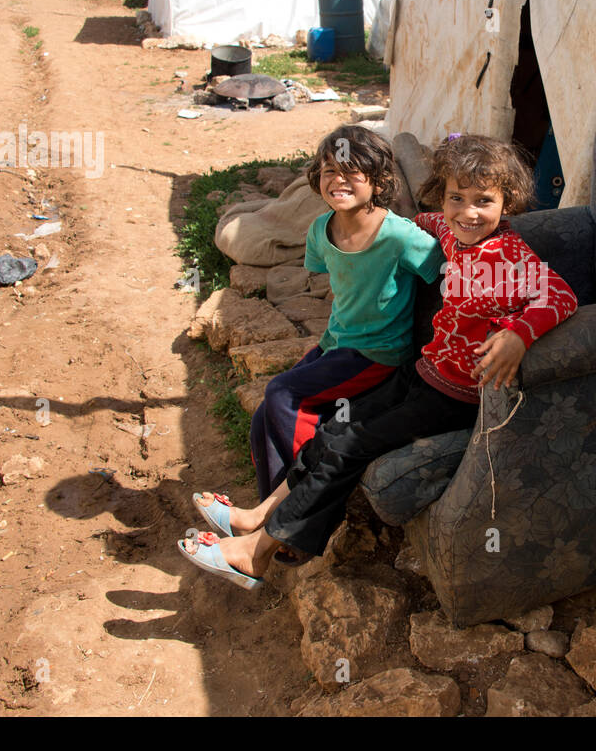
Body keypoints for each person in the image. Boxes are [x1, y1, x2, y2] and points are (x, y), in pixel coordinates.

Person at [179, 134, 579, 587]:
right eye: (456, 198)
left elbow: (561, 295)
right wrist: (408, 221)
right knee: (332, 432)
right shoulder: (450, 232)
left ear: (508, 203)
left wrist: (518, 335)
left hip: (457, 396)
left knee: (349, 445)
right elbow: (425, 222)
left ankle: (258, 552)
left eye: (483, 201)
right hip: (423, 372)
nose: (468, 212)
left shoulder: (508, 255)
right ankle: (257, 517)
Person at [188, 125, 444, 550]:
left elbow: (443, 274)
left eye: (350, 171)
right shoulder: (321, 230)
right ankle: (266, 512)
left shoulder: (399, 236)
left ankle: (289, 520)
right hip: (335, 344)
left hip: (377, 353)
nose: (336, 180)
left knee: (285, 395)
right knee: (264, 415)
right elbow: (336, 281)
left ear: (379, 182)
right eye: (327, 171)